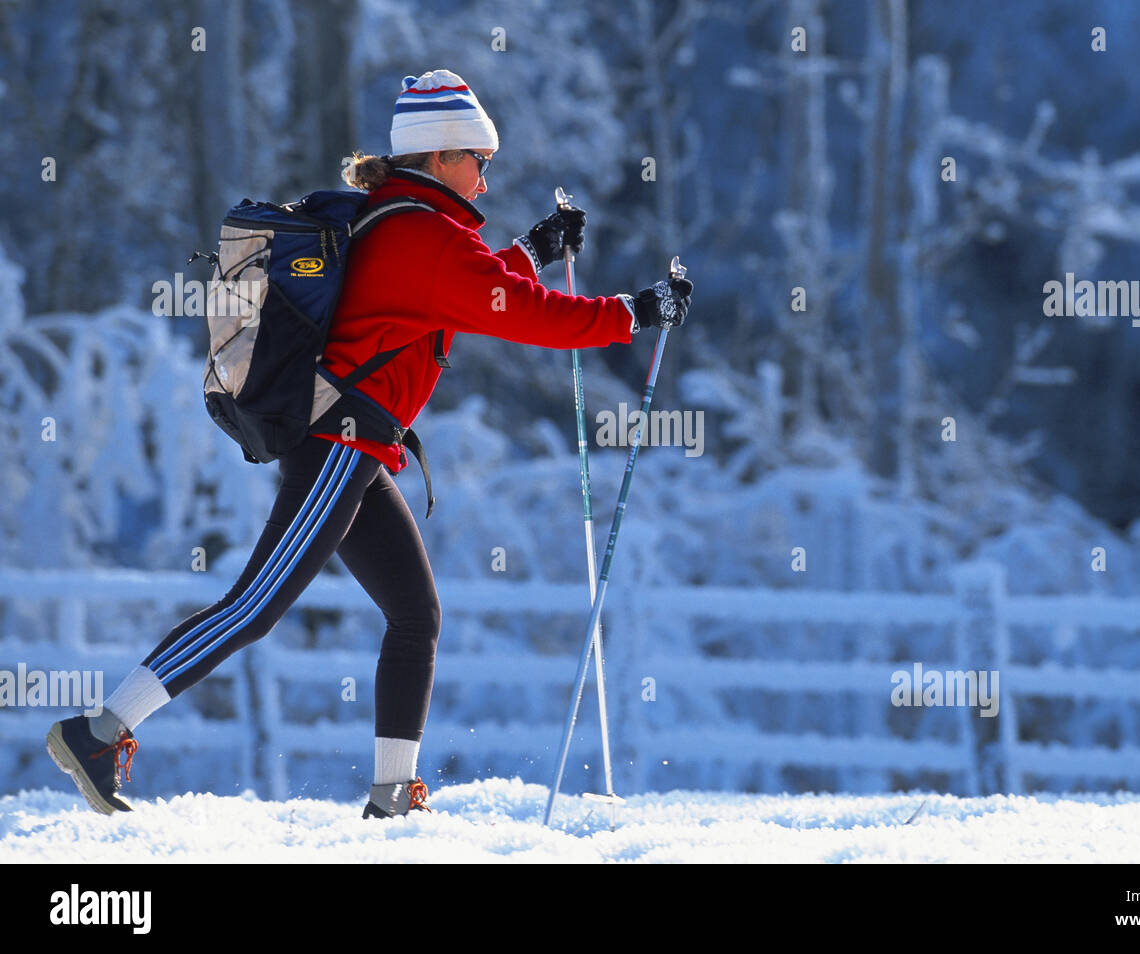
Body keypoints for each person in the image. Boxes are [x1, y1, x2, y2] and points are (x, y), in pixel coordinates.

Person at [46, 69, 693, 819]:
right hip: (340, 447)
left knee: (415, 615)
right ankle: (99, 730)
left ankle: (393, 798)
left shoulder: (403, 221)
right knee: (255, 605)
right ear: (442, 155)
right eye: (479, 160)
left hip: (358, 447)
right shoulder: (424, 235)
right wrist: (635, 312)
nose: (485, 178)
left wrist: (535, 248)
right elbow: (530, 316)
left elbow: (474, 287)